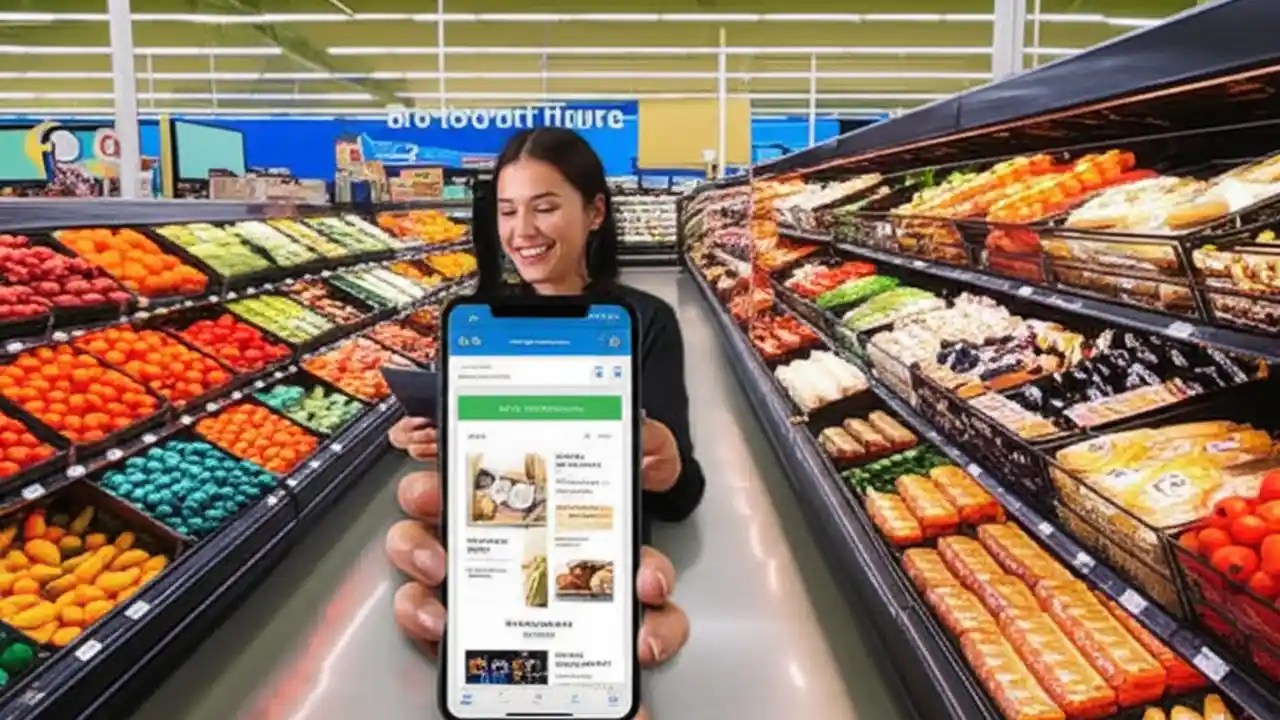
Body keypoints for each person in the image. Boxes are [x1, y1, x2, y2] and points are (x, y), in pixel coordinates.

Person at [386, 127, 703, 718]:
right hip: (498, 567)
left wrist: (665, 465)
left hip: (592, 574)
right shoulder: (471, 328)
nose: (521, 232)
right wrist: (426, 434)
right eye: (508, 211)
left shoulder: (644, 322)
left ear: (595, 213)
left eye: (546, 207)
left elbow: (681, 496)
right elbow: (477, 486)